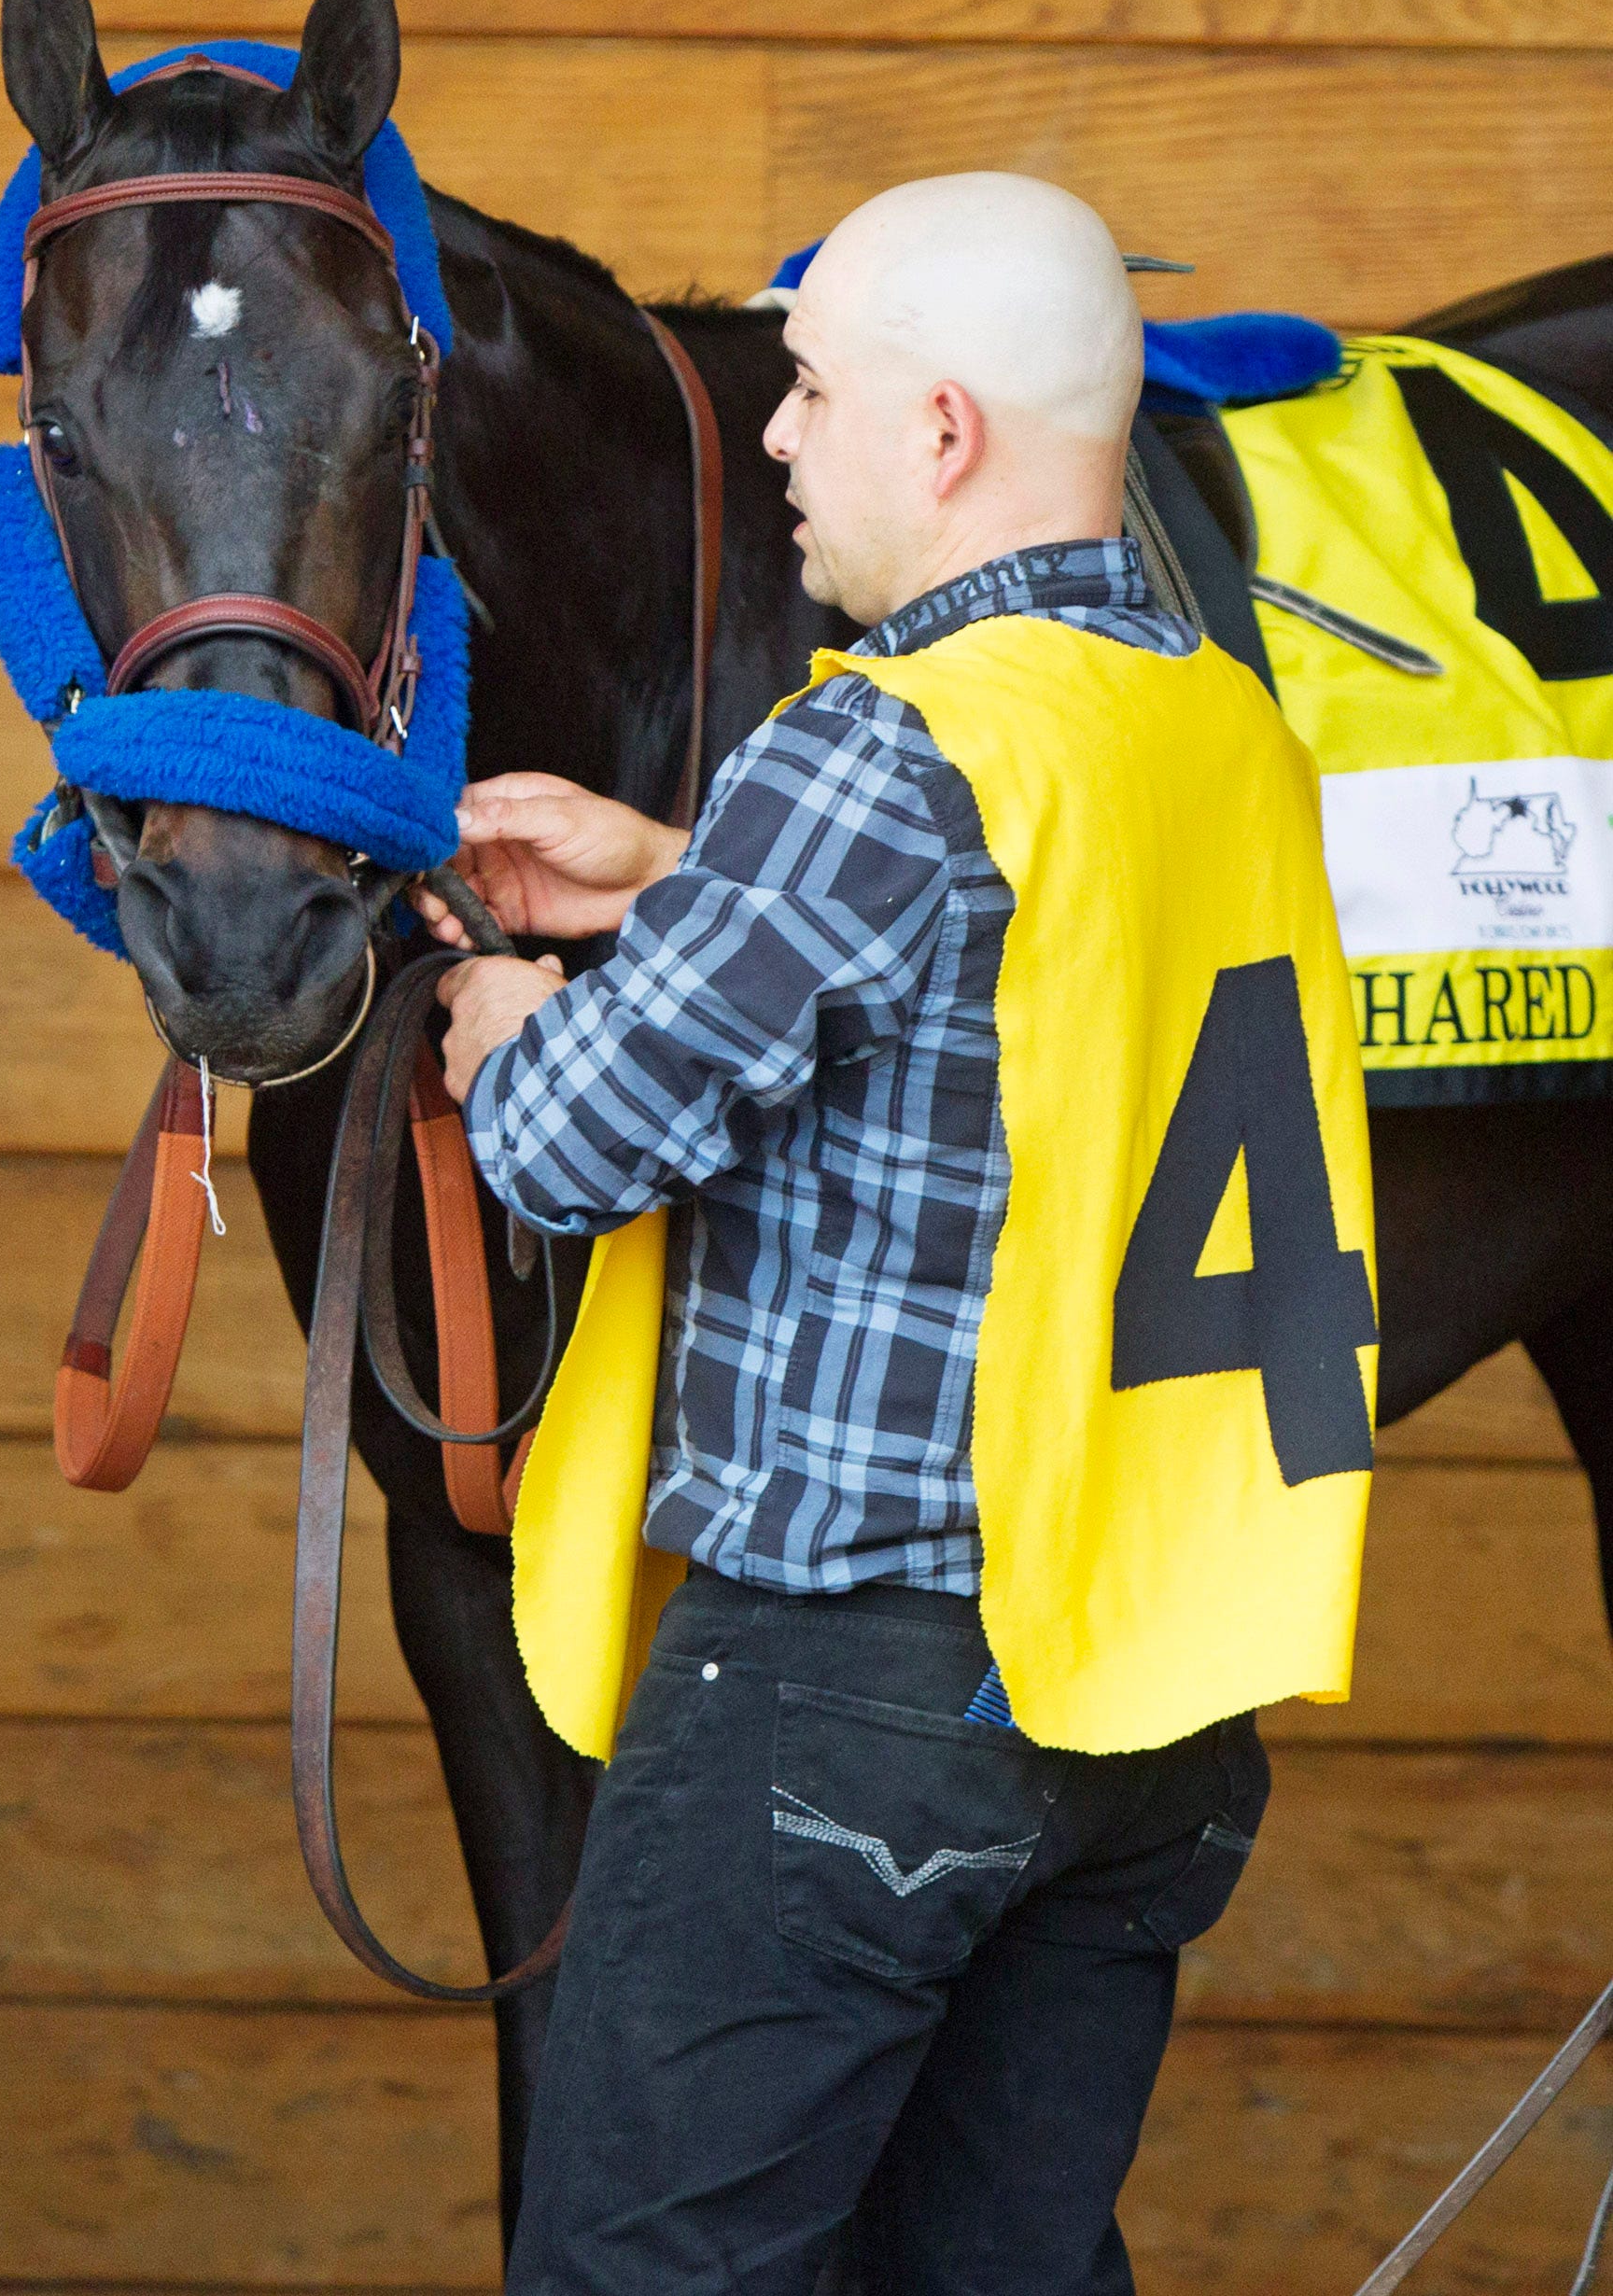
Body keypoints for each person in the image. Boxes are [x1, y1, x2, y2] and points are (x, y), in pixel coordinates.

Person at [429, 174, 1379, 2292]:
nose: (773, 434)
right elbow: (1027, 995)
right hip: (1138, 1709)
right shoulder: (1218, 726)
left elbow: (573, 1142)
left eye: (815, 392)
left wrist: (510, 1013)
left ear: (938, 434)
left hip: (843, 1688)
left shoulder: (874, 746)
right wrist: (690, 878)